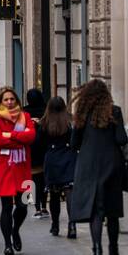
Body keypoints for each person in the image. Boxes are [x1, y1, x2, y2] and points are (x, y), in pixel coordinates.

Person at [70, 78, 128, 255]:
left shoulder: (81, 114)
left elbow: (74, 143)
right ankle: (114, 250)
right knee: (112, 210)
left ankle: (97, 251)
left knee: (96, 211)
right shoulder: (115, 111)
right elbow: (121, 139)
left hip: (88, 165)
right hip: (112, 164)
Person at [0, 85, 36, 255]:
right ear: (1, 102)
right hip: (4, 168)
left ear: (17, 100)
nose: (9, 102)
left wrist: (10, 135)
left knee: (24, 205)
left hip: (23, 167)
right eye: (6, 99)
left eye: (12, 99)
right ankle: (7, 243)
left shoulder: (26, 116)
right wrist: (18, 138)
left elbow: (31, 136)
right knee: (6, 207)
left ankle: (15, 230)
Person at [38, 96, 76, 238]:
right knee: (69, 193)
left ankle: (55, 225)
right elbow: (75, 139)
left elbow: (39, 142)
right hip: (68, 158)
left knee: (54, 195)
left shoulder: (45, 122)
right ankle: (72, 225)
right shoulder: (69, 121)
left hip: (52, 159)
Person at [24, 88, 48, 216]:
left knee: (30, 177)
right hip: (43, 149)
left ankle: (33, 203)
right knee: (42, 179)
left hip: (29, 149)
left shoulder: (24, 112)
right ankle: (44, 206)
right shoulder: (46, 111)